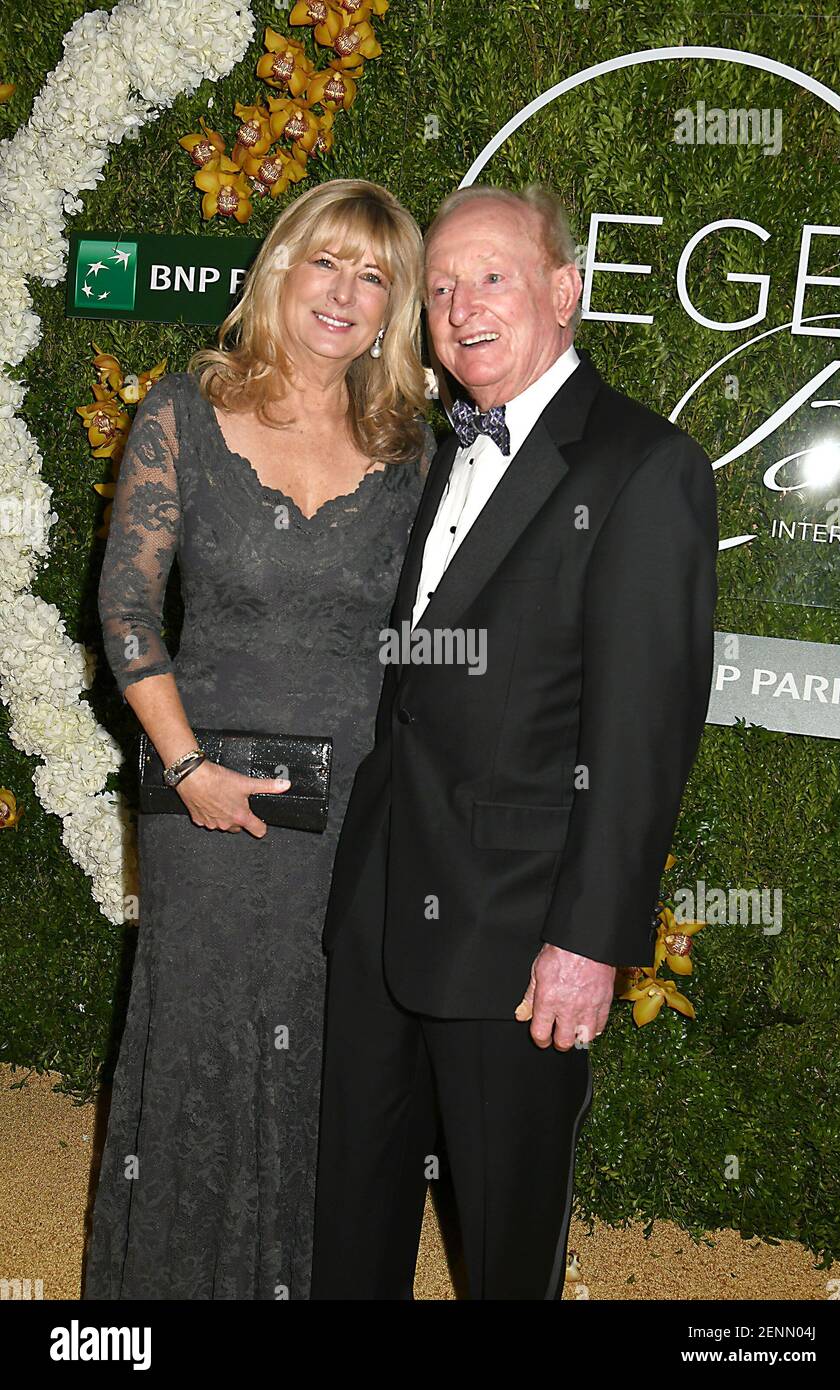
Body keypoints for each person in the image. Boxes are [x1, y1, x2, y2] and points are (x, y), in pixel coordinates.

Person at [311, 182, 719, 1300]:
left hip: (517, 935)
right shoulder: (440, 449)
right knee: (349, 1214)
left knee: (499, 1240)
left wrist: (590, 942)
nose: (459, 306)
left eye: (489, 276)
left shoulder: (643, 466)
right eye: (439, 286)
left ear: (561, 290)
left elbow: (641, 737)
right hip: (382, 905)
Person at [83, 178, 435, 1300]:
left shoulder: (410, 445)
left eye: (373, 274)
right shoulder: (185, 409)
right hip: (203, 797)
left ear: (393, 307)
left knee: (324, 1053)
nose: (343, 291)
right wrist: (185, 767)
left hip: (351, 813)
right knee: (199, 1044)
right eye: (324, 261)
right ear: (279, 268)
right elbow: (127, 611)